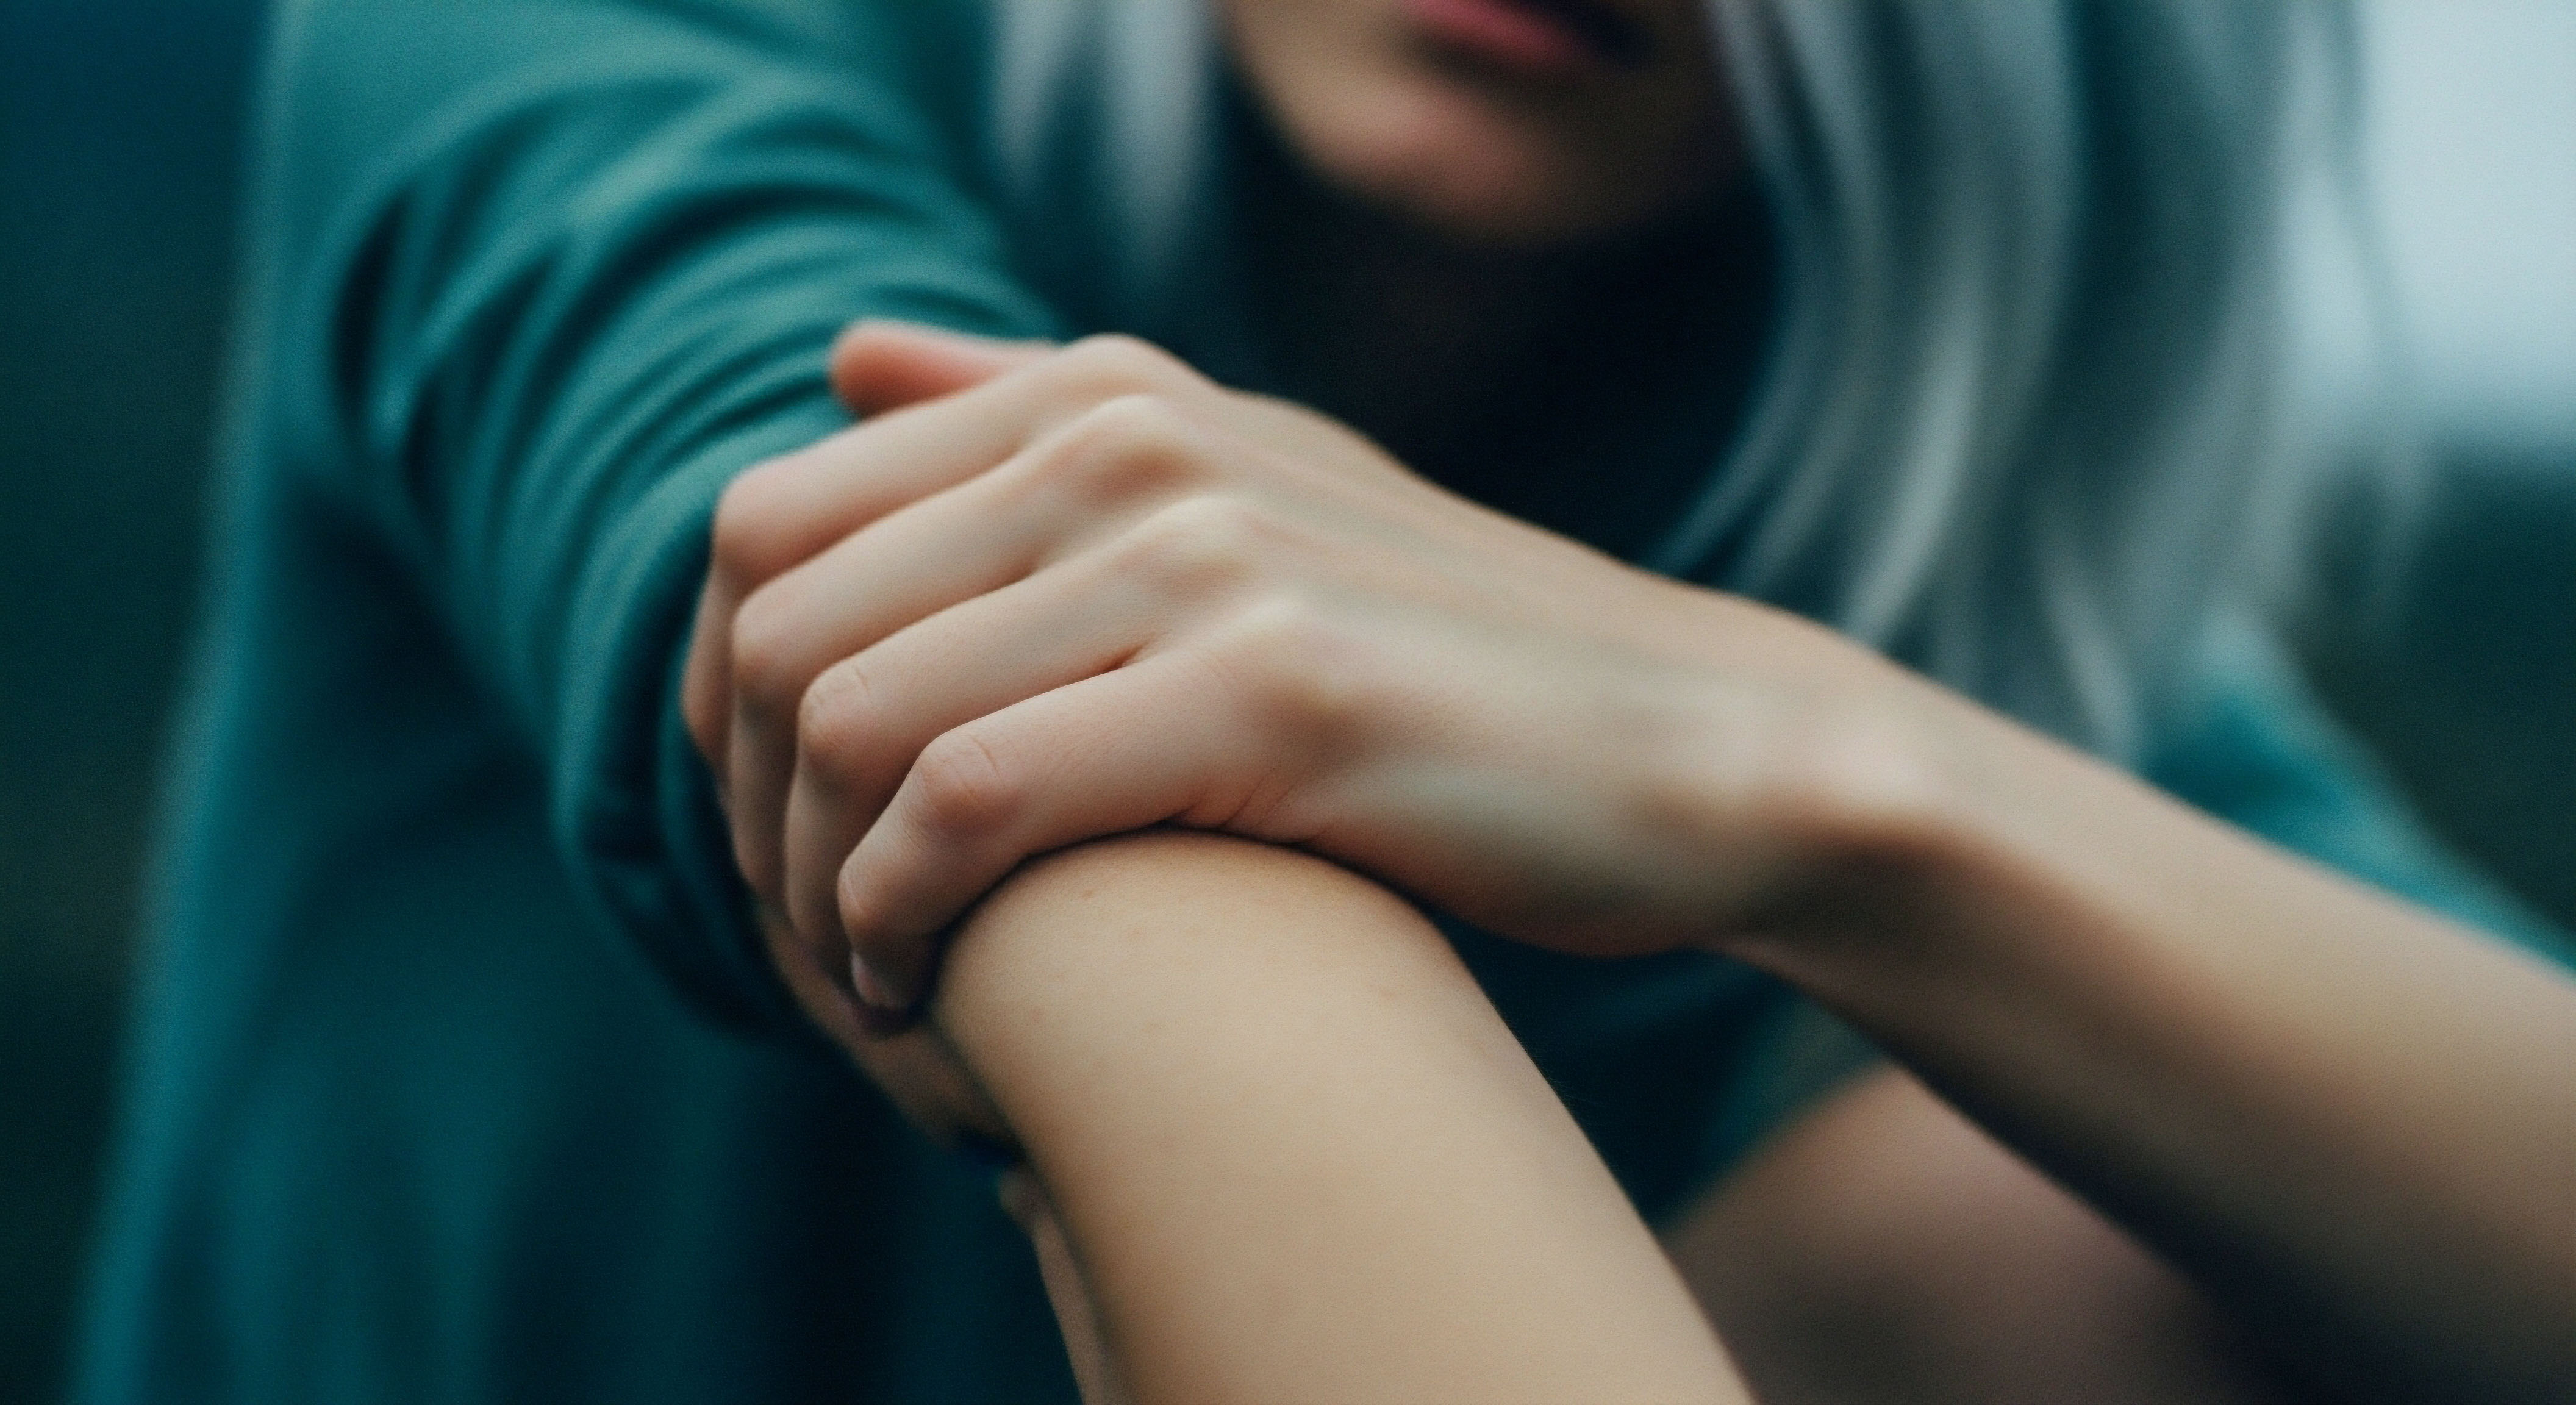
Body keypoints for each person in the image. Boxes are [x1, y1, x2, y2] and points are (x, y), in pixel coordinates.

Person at [76, 0, 2572, 1401]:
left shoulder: (1929, 606)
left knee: (2109, 1205)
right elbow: (965, 737)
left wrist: (1839, 781)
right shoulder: (621, 68)